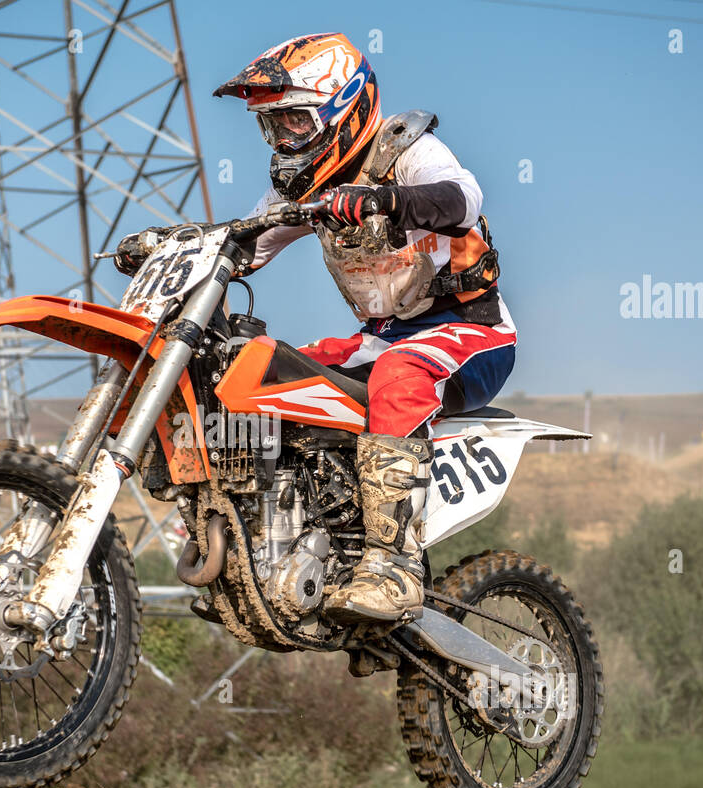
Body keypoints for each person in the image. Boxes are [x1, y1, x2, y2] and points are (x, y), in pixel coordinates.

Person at [212, 33, 517, 621]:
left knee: (400, 376)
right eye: (273, 128)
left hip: (470, 332)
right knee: (265, 369)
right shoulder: (307, 184)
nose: (284, 141)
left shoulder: (407, 151)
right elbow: (243, 245)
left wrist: (384, 201)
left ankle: (394, 568)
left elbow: (463, 199)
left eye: (296, 123)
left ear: (344, 106)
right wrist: (176, 248)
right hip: (384, 336)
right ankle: (266, 540)